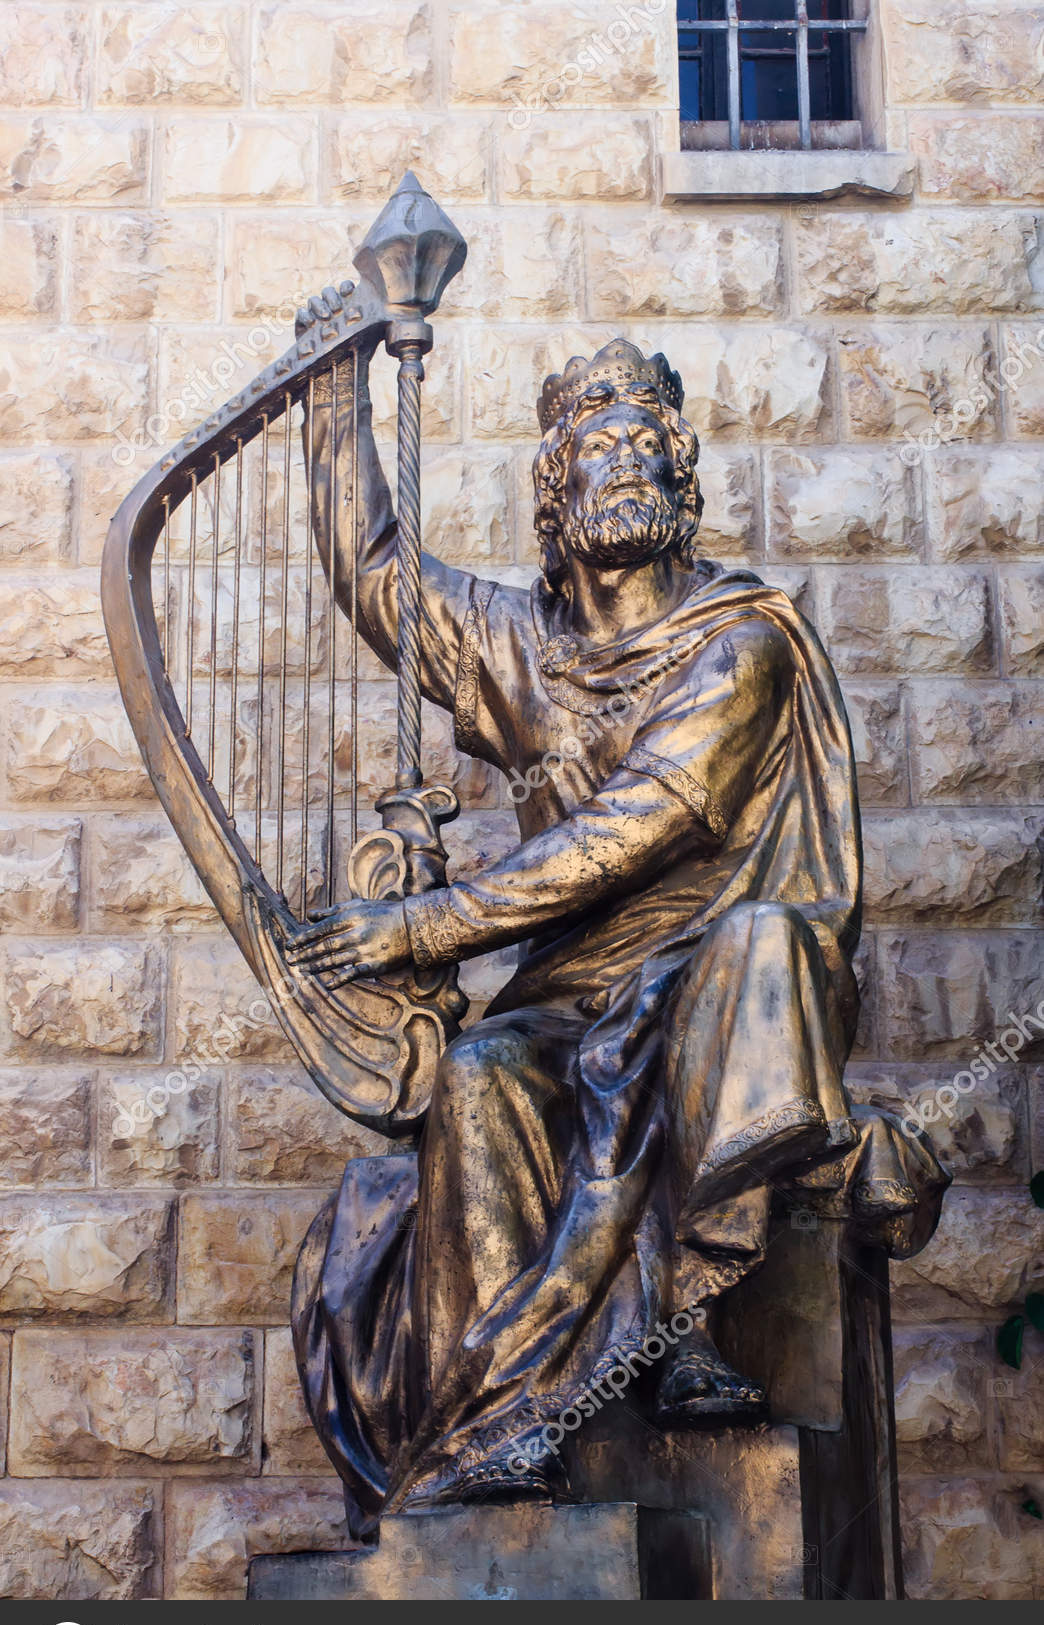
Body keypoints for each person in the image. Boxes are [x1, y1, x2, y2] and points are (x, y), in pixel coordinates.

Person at [285, 327, 944, 1537]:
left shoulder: (739, 642)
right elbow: (378, 577)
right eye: (603, 446)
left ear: (681, 474)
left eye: (651, 443)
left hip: (712, 987)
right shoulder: (521, 644)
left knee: (748, 960)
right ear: (559, 486)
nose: (630, 463)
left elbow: (631, 830)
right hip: (567, 998)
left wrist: (426, 925)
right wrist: (337, 395)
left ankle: (682, 1320)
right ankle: (503, 1424)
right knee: (480, 1074)